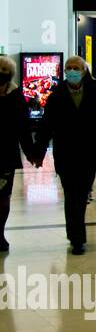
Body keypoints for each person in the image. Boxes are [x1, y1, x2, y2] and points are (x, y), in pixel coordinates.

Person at [30, 56, 96, 255]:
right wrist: (38, 152)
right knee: (71, 195)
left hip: (88, 153)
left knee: (82, 193)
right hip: (66, 154)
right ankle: (77, 238)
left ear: (84, 71)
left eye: (76, 67)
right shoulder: (56, 95)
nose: (72, 71)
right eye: (68, 68)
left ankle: (77, 234)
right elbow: (46, 126)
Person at [0, 56, 35, 252]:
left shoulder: (16, 96)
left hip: (5, 154)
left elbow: (23, 128)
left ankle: (0, 234)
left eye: (5, 71)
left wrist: (31, 153)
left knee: (3, 196)